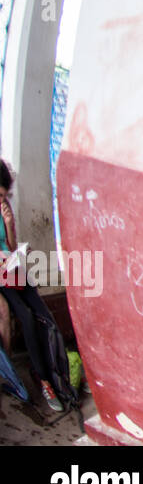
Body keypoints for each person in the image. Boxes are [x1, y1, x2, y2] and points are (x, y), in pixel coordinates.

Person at [0, 160, 70, 411]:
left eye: (5, 196)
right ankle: (43, 380)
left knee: (44, 315)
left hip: (9, 269)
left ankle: (57, 377)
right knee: (26, 317)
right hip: (1, 275)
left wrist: (9, 226)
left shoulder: (4, 208)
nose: (2, 200)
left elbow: (9, 244)